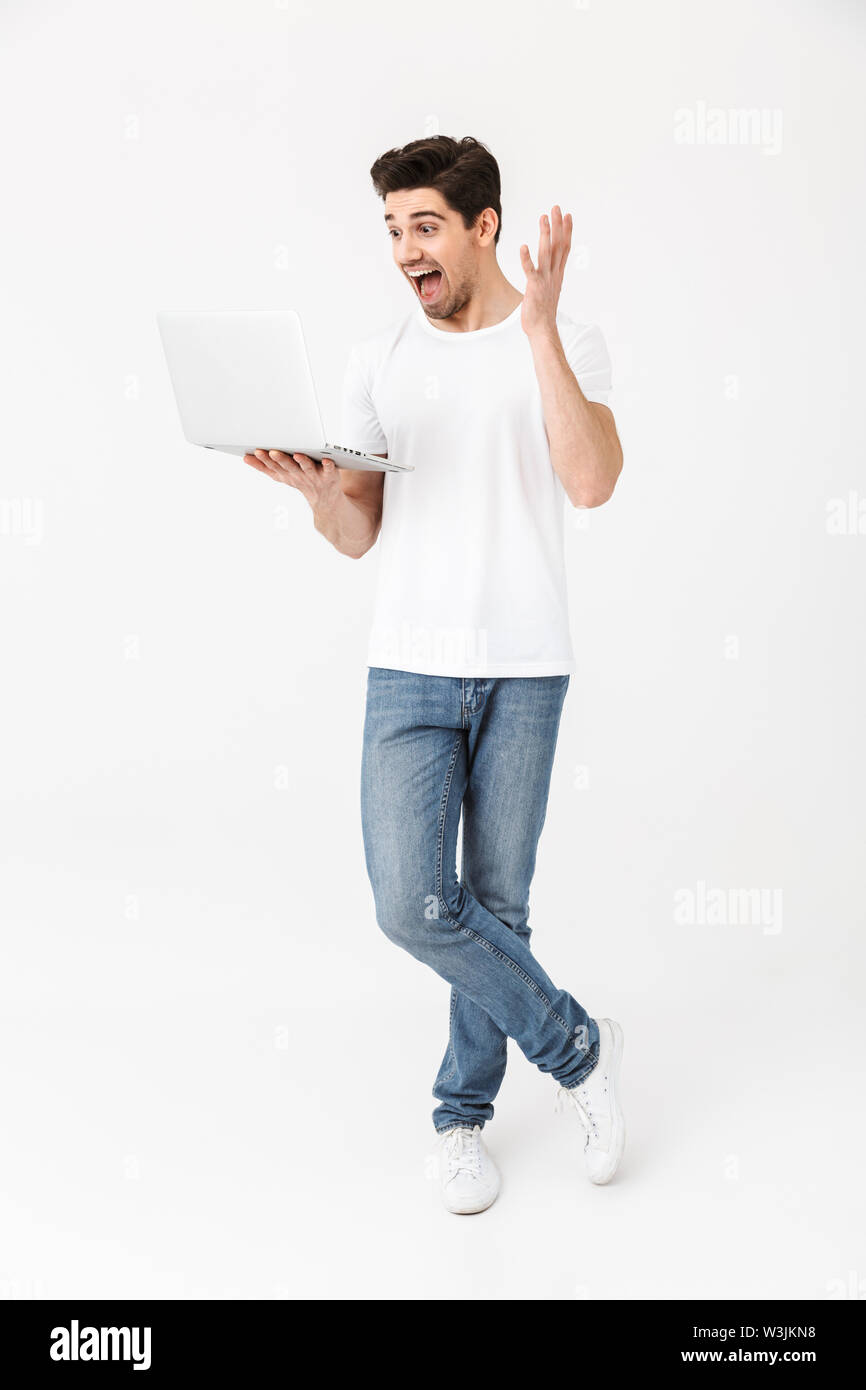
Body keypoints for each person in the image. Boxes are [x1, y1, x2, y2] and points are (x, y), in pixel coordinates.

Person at [244, 135, 625, 1215]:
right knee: (412, 904)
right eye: (391, 229)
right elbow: (357, 534)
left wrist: (540, 332)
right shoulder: (379, 359)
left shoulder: (567, 337)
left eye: (423, 225)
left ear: (481, 228)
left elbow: (590, 482)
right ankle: (575, 1048)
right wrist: (314, 491)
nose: (405, 249)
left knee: (495, 903)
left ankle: (460, 1118)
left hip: (524, 664)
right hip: (408, 667)